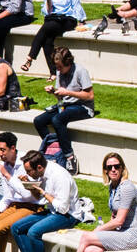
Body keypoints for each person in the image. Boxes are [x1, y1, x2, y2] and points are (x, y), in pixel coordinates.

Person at [8, 148, 84, 252]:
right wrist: (31, 187)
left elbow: (63, 208)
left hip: (68, 216)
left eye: (29, 171)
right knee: (16, 227)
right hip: (51, 211)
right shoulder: (42, 173)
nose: (28, 174)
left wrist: (43, 192)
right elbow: (40, 199)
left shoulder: (59, 176)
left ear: (39, 167)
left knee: (33, 232)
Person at [30, 45, 93, 177]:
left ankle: (69, 157)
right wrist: (54, 91)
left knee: (57, 120)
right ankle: (55, 149)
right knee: (39, 121)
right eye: (56, 67)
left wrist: (68, 92)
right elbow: (61, 96)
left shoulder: (81, 71)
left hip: (83, 107)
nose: (57, 70)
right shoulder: (59, 72)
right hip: (65, 104)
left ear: (68, 62)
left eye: (60, 67)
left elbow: (89, 96)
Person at [21, 0, 85, 74]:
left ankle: (30, 58)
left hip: (68, 19)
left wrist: (81, 20)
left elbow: (76, 5)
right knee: (47, 40)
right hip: (53, 19)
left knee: (46, 28)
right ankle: (53, 73)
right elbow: (48, 11)